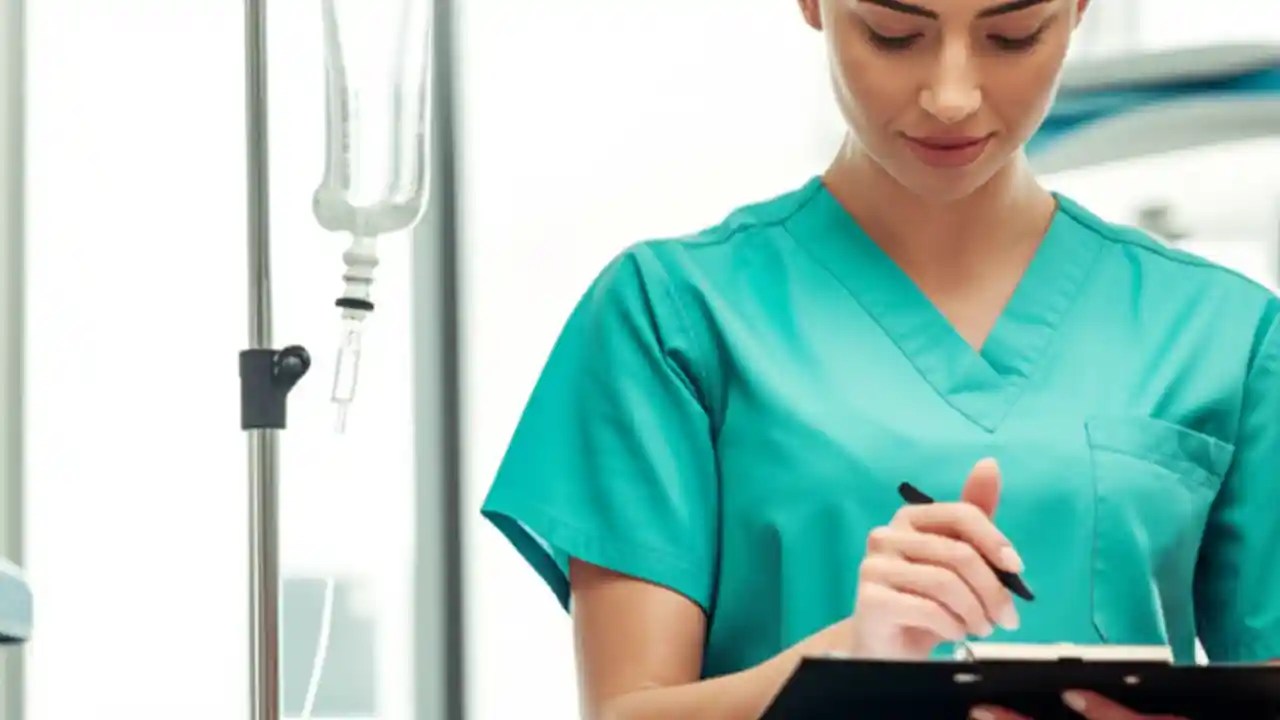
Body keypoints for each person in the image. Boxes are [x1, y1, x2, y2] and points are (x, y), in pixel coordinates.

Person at [480, 0, 1280, 718]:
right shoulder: (672, 315)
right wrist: (849, 661)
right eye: (895, 34)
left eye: (1012, 35)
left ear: (1078, 10)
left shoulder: (1226, 334)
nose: (951, 95)